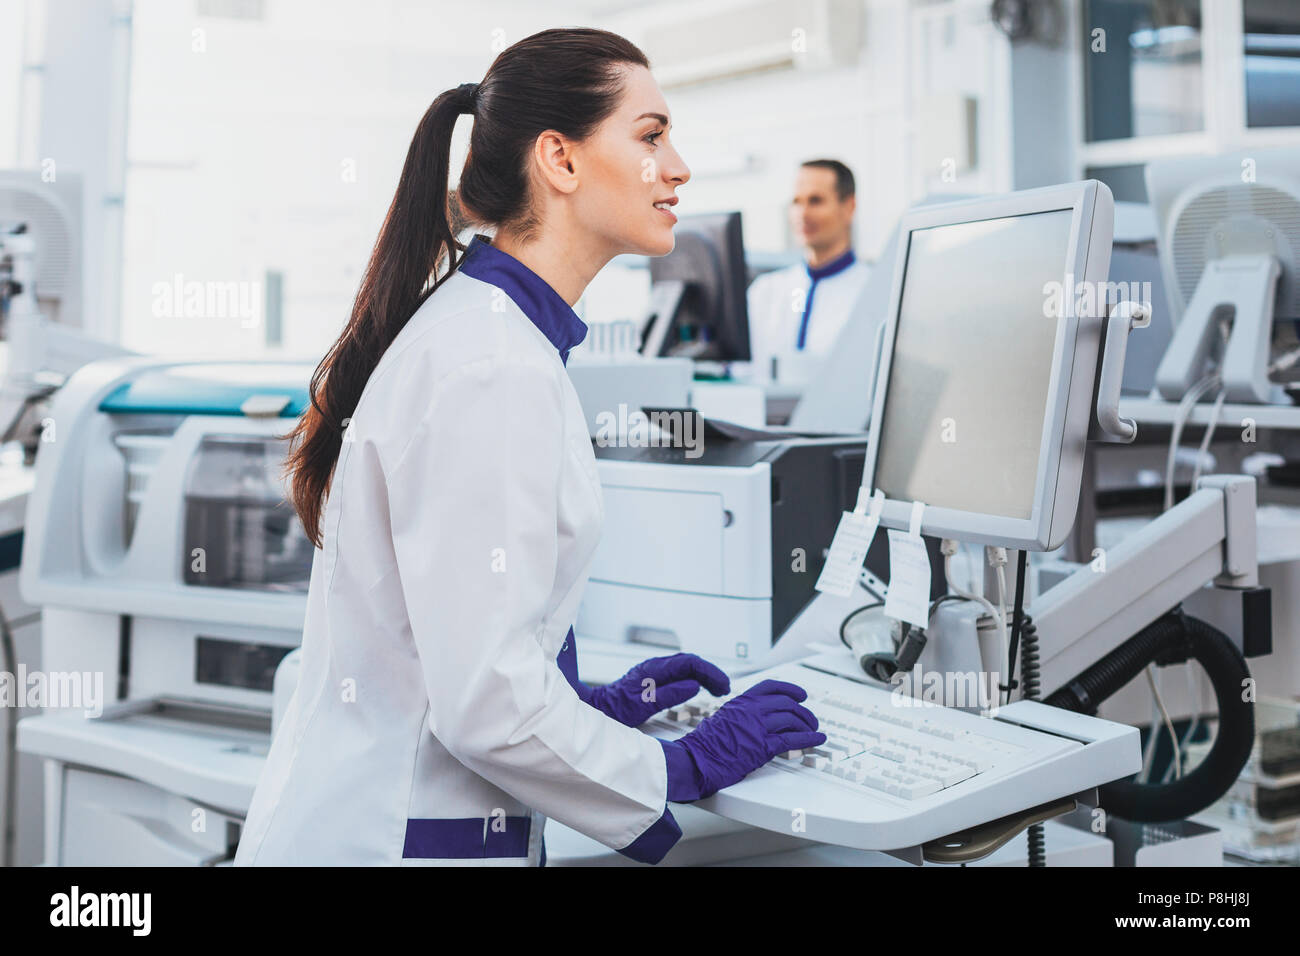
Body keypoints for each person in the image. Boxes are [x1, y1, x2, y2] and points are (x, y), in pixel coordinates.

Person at [234, 27, 824, 867]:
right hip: (390, 839)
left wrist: (592, 706)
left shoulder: (488, 334)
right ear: (561, 159)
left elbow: (457, 651)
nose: (678, 167)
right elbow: (485, 708)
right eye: (651, 136)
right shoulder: (492, 366)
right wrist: (679, 763)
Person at [747, 159, 871, 380]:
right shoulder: (764, 291)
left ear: (849, 207)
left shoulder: (874, 291)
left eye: (816, 201)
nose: (802, 214)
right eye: (796, 201)